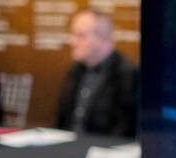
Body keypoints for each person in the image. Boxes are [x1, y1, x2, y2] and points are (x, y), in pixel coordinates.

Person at [55, 8, 138, 137]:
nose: (72, 41)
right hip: (66, 149)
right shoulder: (75, 71)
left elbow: (125, 128)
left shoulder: (127, 74)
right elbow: (61, 119)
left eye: (81, 35)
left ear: (103, 39)